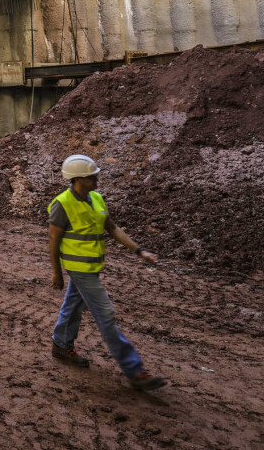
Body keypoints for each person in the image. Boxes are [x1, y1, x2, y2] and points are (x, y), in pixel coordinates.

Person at [48, 154, 168, 391]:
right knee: (106, 316)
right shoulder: (62, 204)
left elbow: (112, 228)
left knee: (73, 305)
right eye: (92, 176)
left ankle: (61, 344)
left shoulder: (96, 198)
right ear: (77, 179)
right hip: (78, 268)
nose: (97, 178)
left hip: (92, 267)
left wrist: (139, 250)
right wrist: (57, 273)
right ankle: (134, 370)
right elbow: (53, 240)